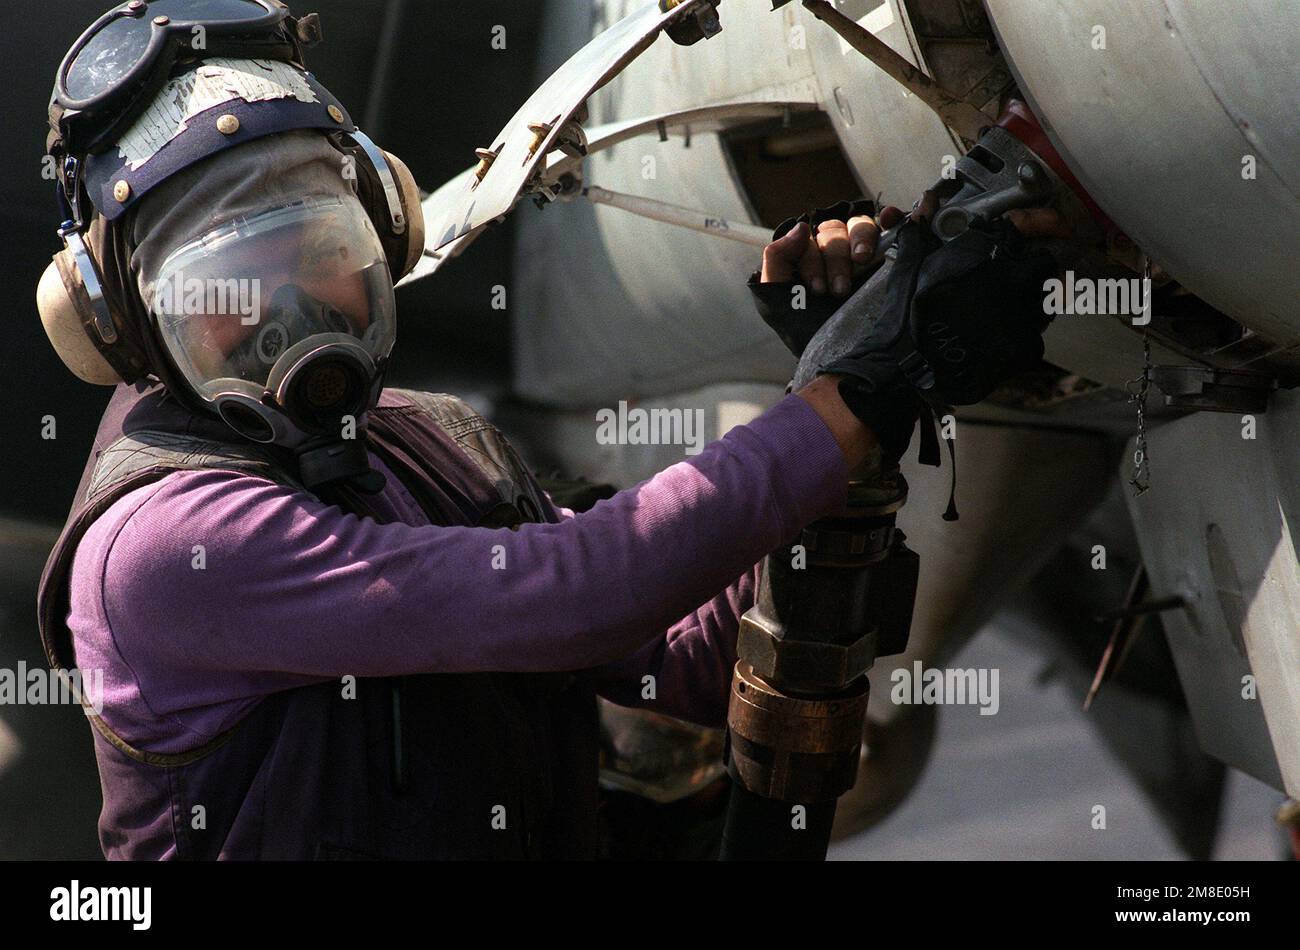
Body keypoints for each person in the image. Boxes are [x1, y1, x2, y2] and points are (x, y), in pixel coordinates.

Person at [35, 1, 1058, 859]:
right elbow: (582, 588)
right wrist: (844, 400)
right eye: (226, 282)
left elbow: (681, 659)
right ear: (126, 328)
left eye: (314, 246)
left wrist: (834, 429)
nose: (287, 309)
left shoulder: (426, 440)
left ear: (385, 233)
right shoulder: (165, 547)